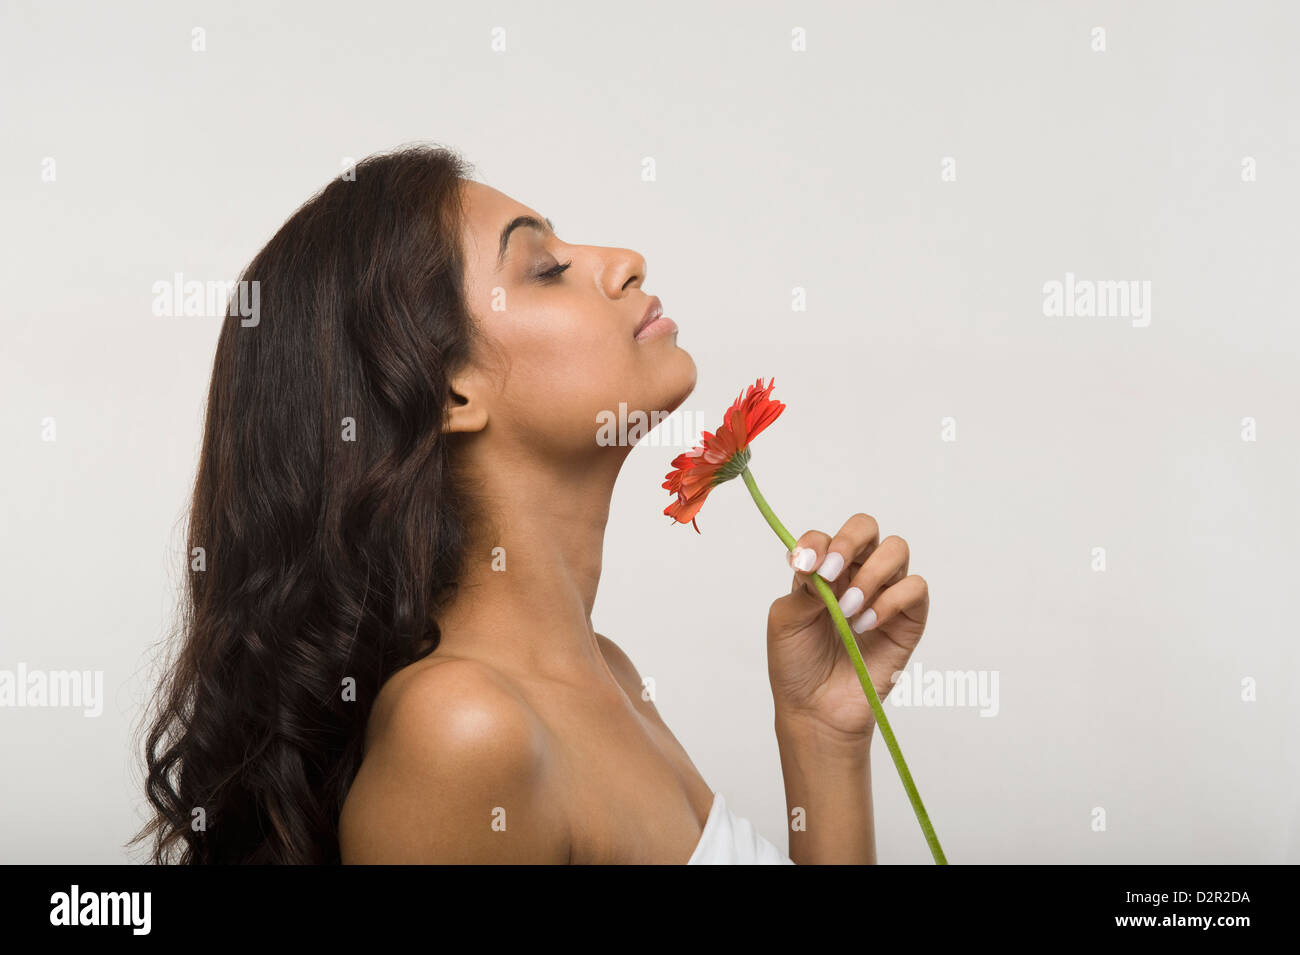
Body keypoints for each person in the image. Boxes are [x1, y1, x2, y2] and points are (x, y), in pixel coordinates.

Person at [133, 144, 930, 864]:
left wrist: (822, 732)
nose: (625, 262)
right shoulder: (462, 731)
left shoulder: (609, 674)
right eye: (544, 268)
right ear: (449, 388)